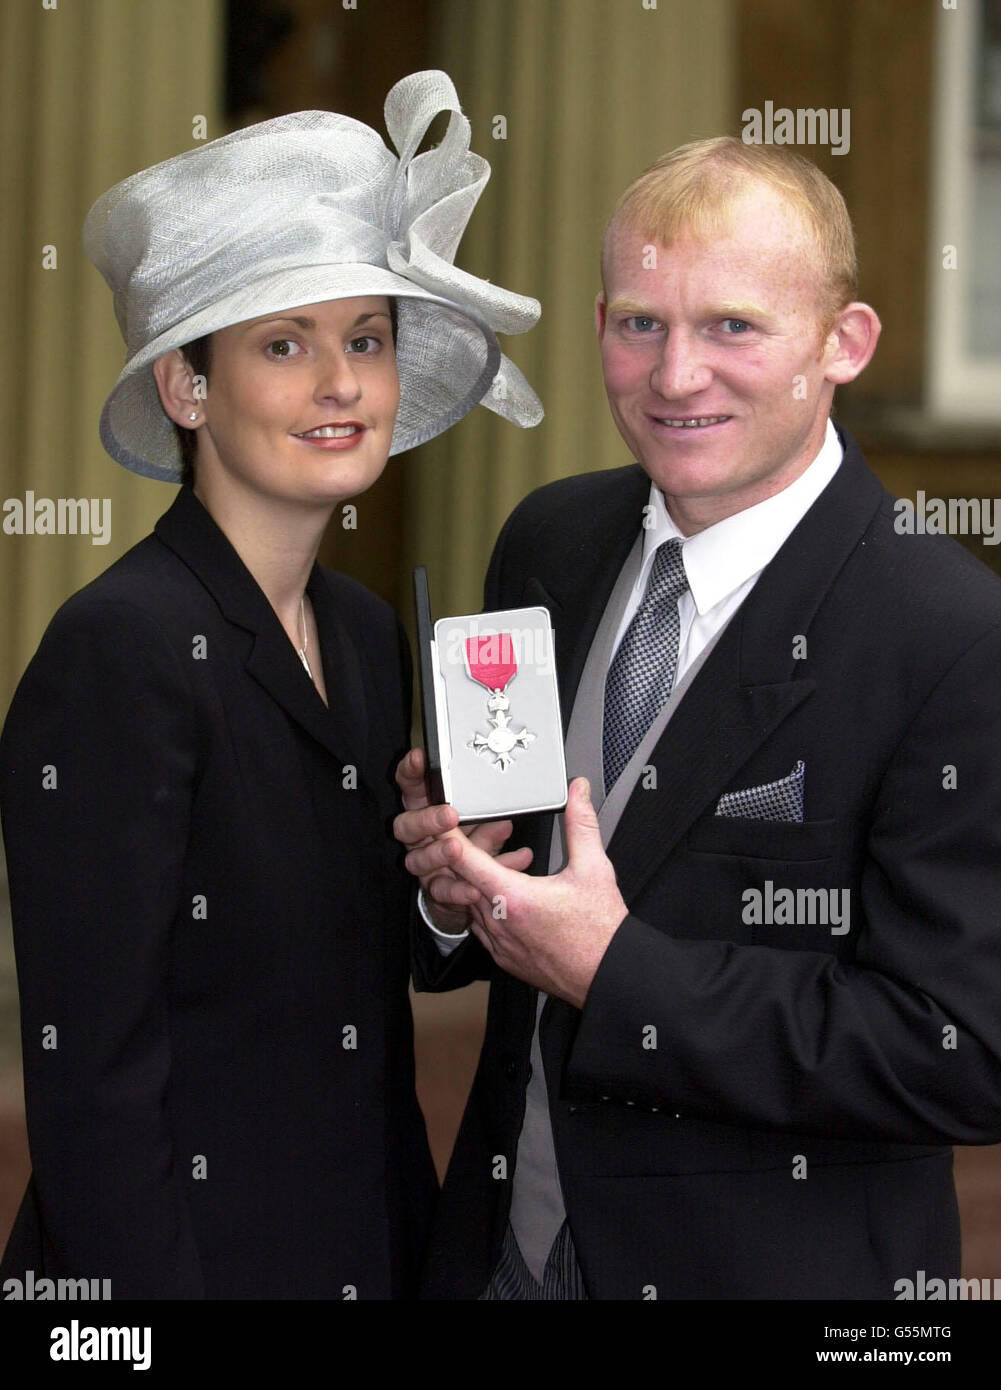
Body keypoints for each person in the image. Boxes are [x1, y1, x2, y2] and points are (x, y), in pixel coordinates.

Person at [396, 137, 1001, 1300]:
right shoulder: (549, 542)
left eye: (731, 326)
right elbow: (529, 881)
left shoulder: (952, 638)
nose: (674, 376)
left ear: (843, 343)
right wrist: (454, 889)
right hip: (495, 1256)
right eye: (639, 323)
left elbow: (962, 1051)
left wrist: (617, 970)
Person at [0, 70, 541, 1300]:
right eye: (283, 344)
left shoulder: (360, 632)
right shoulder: (121, 649)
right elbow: (90, 1074)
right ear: (187, 388)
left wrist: (445, 897)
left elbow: (360, 968)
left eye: (365, 339)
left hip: (361, 1241)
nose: (340, 382)